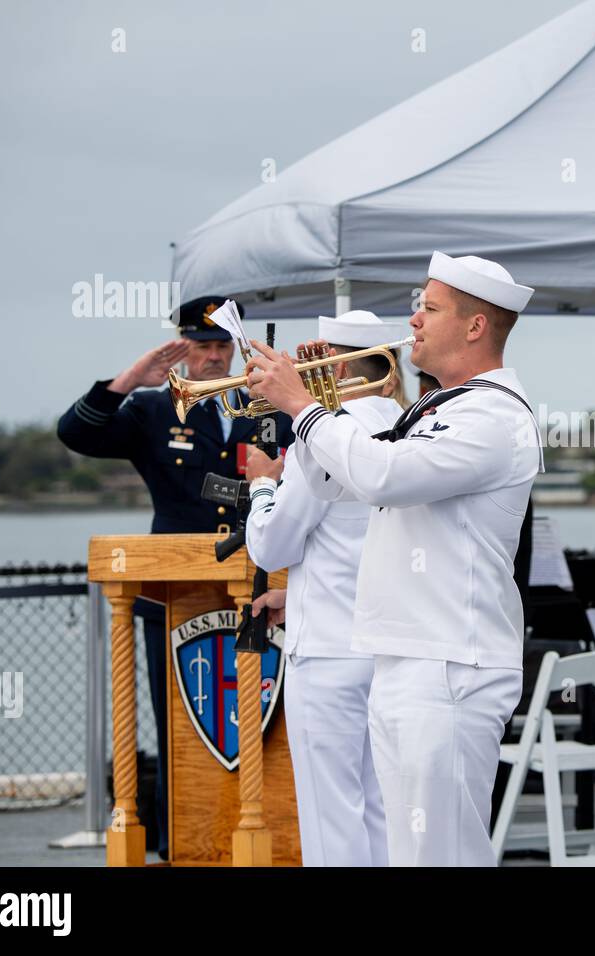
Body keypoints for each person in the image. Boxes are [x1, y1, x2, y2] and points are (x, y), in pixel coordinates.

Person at [244, 251, 542, 866]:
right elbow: (340, 482)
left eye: (429, 309)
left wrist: (303, 407)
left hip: (449, 665)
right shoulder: (440, 408)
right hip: (407, 659)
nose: (412, 322)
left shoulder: (491, 414)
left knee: (444, 856)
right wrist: (306, 422)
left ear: (475, 326)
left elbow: (380, 474)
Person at [56, 295, 294, 858]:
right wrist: (132, 377)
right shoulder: (153, 410)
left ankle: (269, 835)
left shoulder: (260, 401)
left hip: (260, 585)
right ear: (182, 348)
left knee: (271, 722)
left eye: (220, 346)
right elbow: (76, 434)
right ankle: (179, 843)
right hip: (173, 593)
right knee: (180, 723)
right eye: (202, 346)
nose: (213, 358)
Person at [244, 311, 407, 867]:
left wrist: (264, 485)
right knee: (384, 812)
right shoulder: (411, 425)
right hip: (389, 648)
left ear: (324, 364)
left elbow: (272, 545)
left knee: (330, 818)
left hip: (330, 652)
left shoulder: (325, 434)